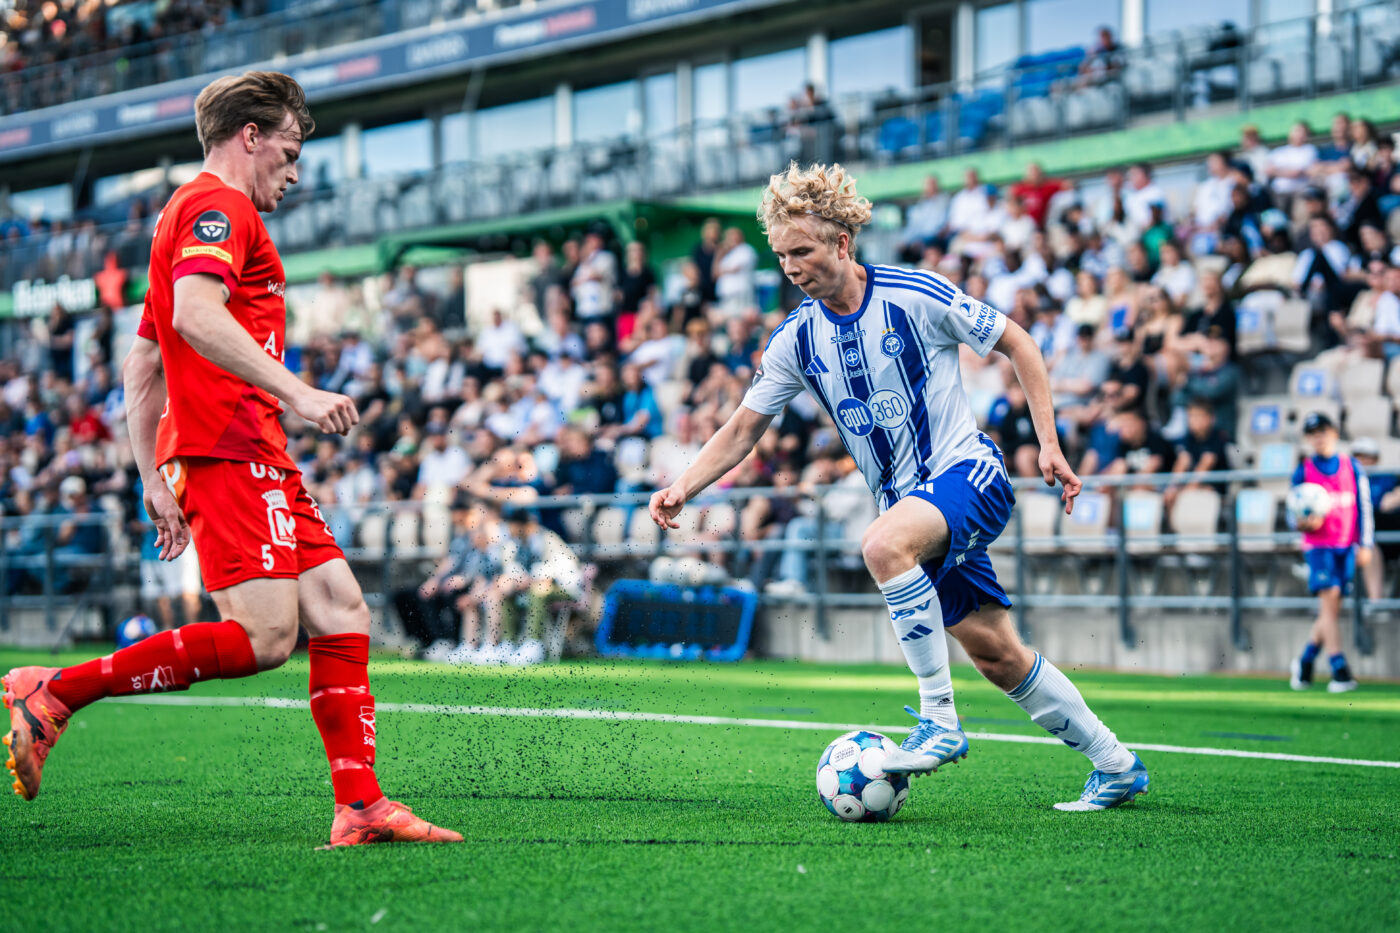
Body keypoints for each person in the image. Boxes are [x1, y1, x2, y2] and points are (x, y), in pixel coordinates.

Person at [1, 72, 460, 847]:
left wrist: (152, 475)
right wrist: (299, 393)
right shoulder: (220, 208)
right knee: (264, 636)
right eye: (290, 145)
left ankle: (360, 804)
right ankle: (54, 689)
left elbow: (143, 363)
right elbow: (193, 315)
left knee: (343, 609)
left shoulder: (178, 216)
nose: (295, 164)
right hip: (230, 445)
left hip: (243, 451)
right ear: (250, 135)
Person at [650, 162, 1148, 811]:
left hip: (968, 474)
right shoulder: (798, 338)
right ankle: (1115, 763)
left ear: (841, 244)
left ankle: (939, 720)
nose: (791, 266)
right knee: (997, 654)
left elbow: (1018, 342)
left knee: (883, 545)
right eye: (781, 255)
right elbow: (745, 427)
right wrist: (684, 483)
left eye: (802, 250)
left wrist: (1049, 444)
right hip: (914, 512)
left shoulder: (915, 294)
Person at [1289, 413, 1369, 693]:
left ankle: (1306, 660)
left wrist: (1366, 543)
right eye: (1313, 433)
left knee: (1332, 608)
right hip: (1319, 547)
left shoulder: (1351, 466)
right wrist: (1302, 522)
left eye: (1323, 431)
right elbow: (1293, 510)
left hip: (1345, 546)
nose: (1318, 438)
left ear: (1334, 433)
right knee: (1329, 601)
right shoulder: (1304, 470)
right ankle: (1339, 668)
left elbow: (1363, 506)